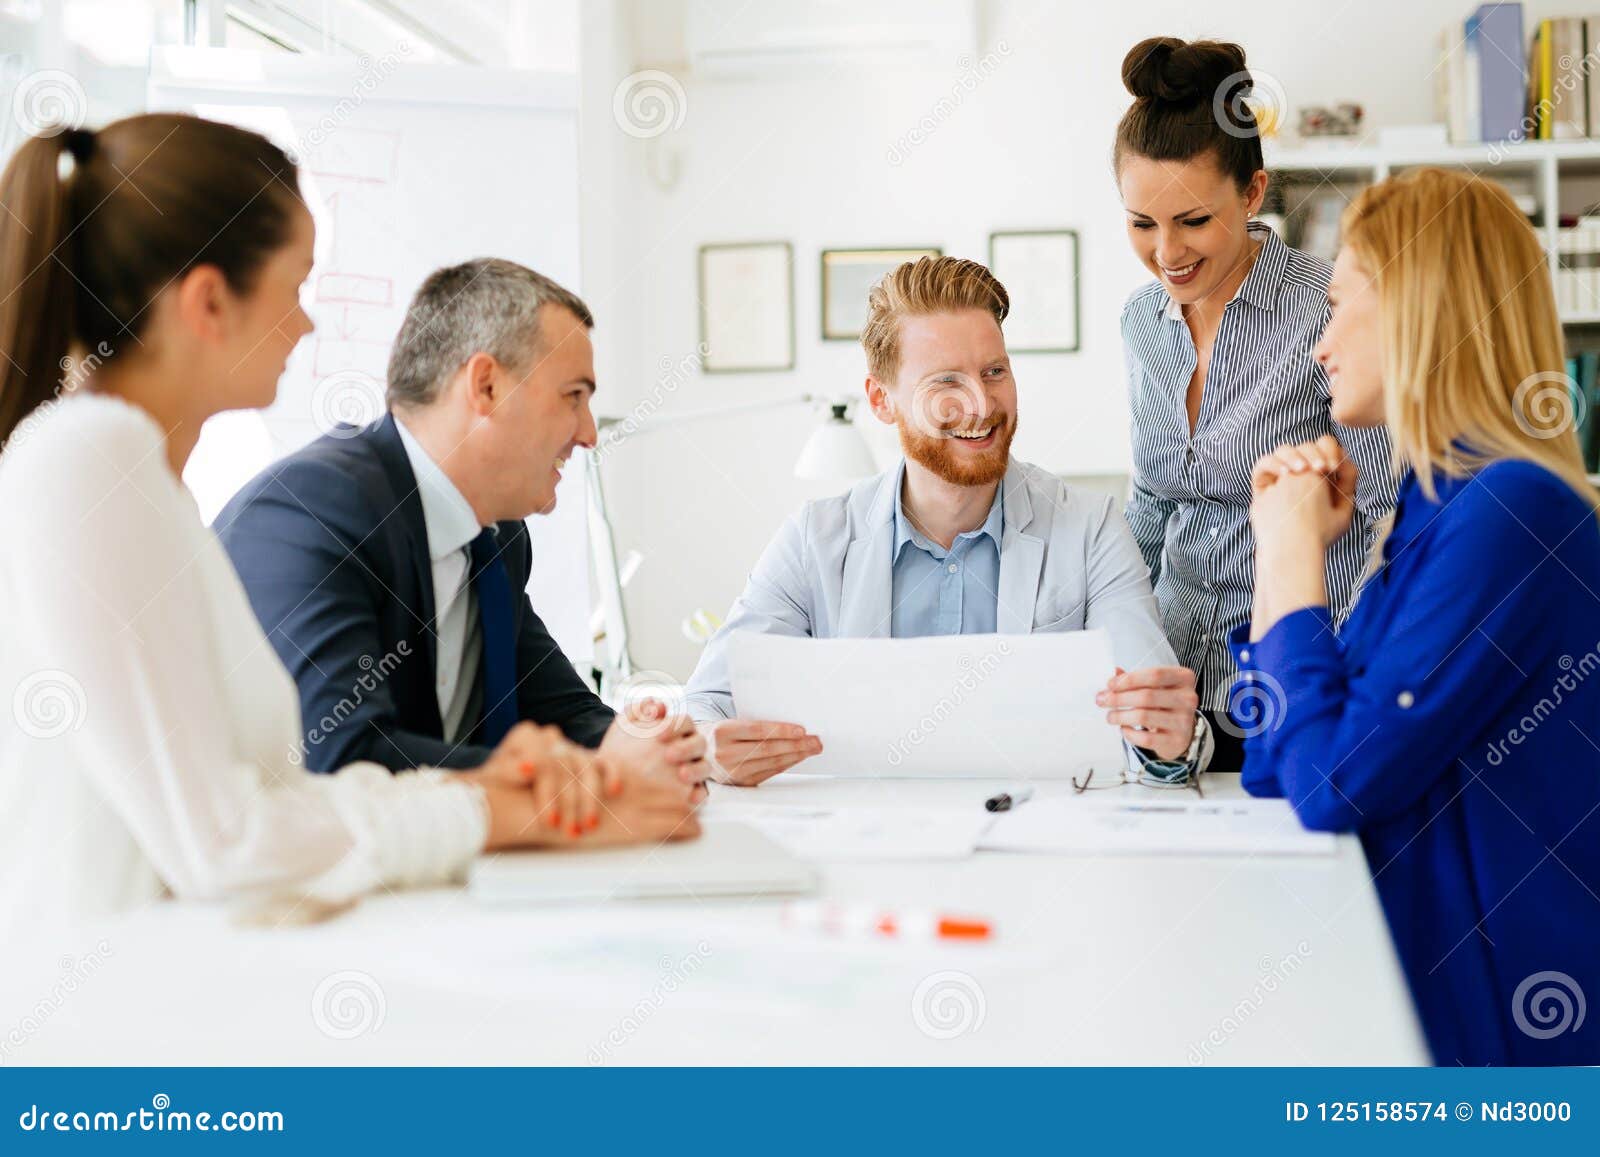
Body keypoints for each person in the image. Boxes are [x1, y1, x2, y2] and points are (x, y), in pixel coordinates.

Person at [0, 115, 699, 935]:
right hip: (105, 1016)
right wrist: (511, 805)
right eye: (294, 287)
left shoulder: (142, 478)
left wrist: (507, 785)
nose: (306, 325)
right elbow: (225, 840)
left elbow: (279, 796)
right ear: (210, 301)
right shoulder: (91, 460)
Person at [1237, 167, 1600, 1066]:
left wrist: (1291, 555)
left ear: (1411, 303)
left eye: (1336, 304)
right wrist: (1283, 551)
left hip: (1508, 1033)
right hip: (1422, 995)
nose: (1318, 345)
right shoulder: (1431, 508)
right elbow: (1273, 759)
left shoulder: (1512, 514)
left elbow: (1331, 784)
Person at [685, 256, 1212, 785]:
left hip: (1037, 847)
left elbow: (1156, 719)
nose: (980, 405)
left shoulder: (1091, 527)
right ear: (881, 400)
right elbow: (708, 702)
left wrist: (1172, 740)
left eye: (994, 372)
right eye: (946, 381)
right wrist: (709, 749)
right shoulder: (814, 540)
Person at [215, 259, 707, 788]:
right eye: (573, 397)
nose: (589, 433)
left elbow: (565, 712)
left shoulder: (499, 538)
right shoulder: (312, 511)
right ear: (486, 386)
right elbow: (341, 755)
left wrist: (655, 747)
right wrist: (590, 777)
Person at [1113, 36, 1396, 773]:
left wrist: (1335, 662)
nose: (1167, 251)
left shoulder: (1323, 306)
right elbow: (1151, 505)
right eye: (1142, 223)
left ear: (1252, 192)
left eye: (1193, 221)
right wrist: (1114, 647)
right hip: (1172, 694)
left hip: (1301, 678)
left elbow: (1382, 514)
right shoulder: (1142, 321)